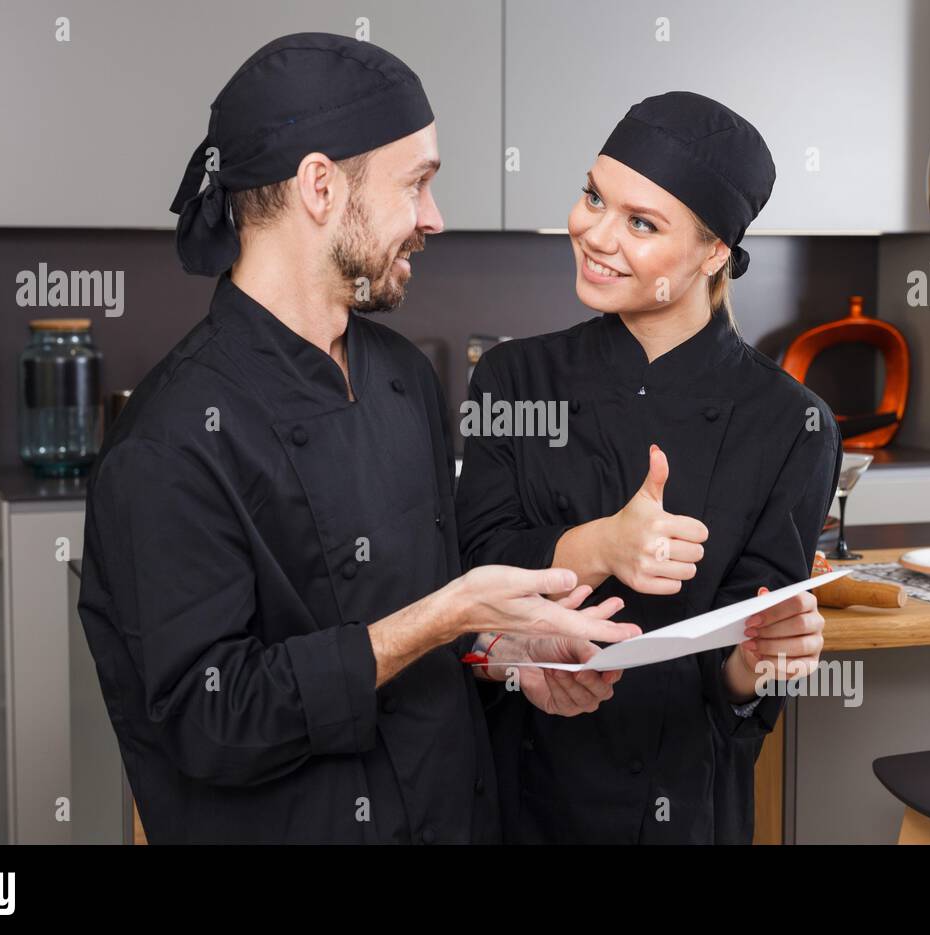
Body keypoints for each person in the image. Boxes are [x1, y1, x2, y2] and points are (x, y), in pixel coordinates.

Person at [77, 33, 637, 845]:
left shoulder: (402, 377)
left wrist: (503, 651)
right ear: (319, 186)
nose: (434, 220)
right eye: (417, 184)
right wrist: (444, 616)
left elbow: (415, 616)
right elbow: (209, 715)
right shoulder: (171, 437)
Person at [455, 91, 844, 844]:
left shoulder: (791, 423)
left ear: (713, 254)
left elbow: (736, 673)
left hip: (681, 804)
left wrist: (760, 655)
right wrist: (602, 547)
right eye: (594, 196)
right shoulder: (512, 377)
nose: (594, 234)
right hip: (515, 794)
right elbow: (471, 578)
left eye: (641, 223)